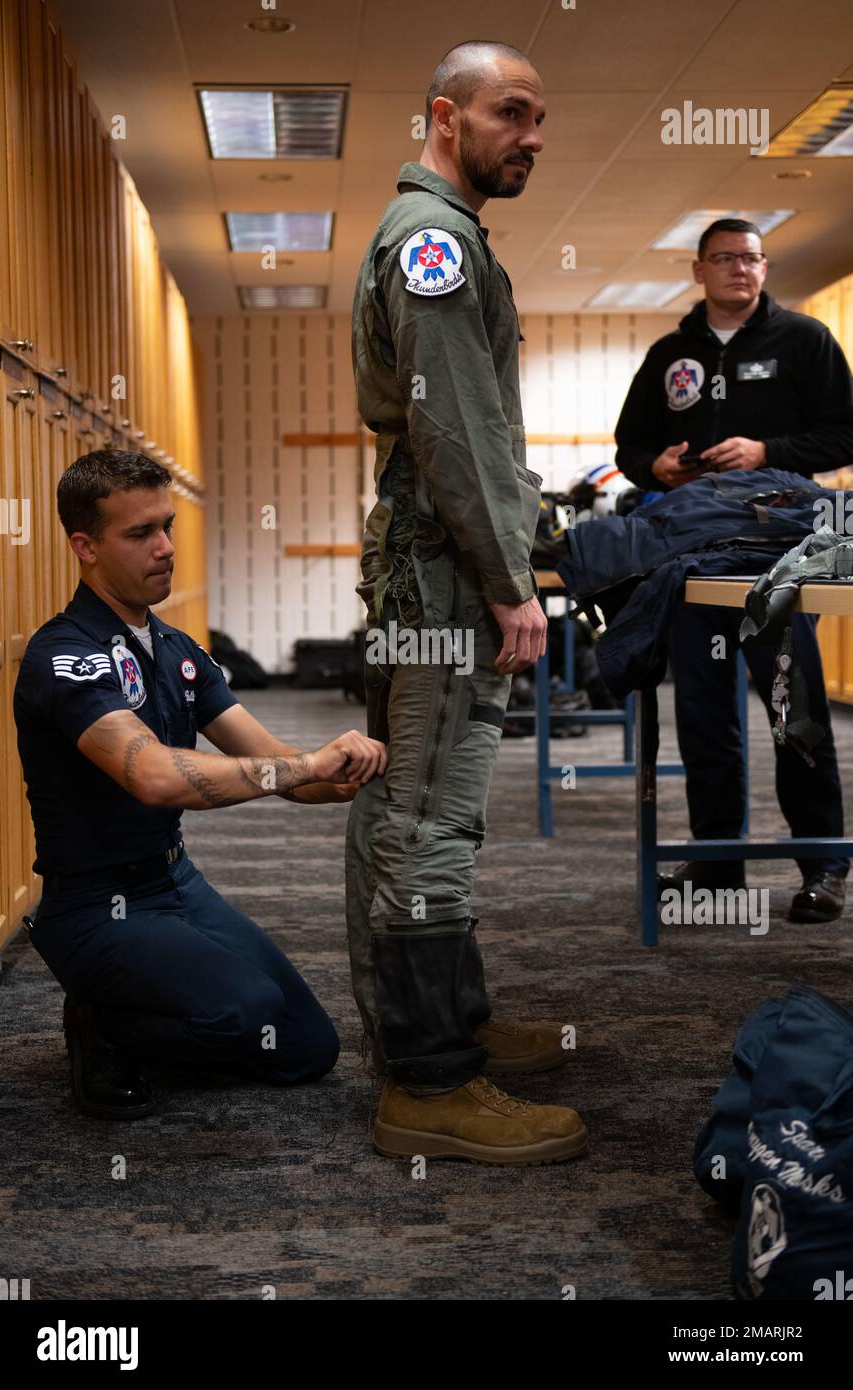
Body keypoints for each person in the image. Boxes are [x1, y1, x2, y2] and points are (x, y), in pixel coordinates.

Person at [346, 40, 587, 1165]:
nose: (530, 136)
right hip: (445, 569)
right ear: (445, 116)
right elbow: (455, 435)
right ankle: (430, 1081)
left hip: (431, 558)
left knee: (411, 804)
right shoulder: (432, 241)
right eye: (510, 113)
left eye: (538, 118)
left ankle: (443, 1032)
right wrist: (511, 583)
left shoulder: (439, 235)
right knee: (430, 818)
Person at [14, 450, 387, 1119]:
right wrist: (302, 767)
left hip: (173, 884)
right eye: (139, 534)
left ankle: (152, 1004)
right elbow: (153, 777)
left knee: (306, 1048)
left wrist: (350, 767)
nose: (164, 548)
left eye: (167, 526)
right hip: (96, 905)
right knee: (243, 1012)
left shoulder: (181, 653)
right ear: (85, 546)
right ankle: (102, 1020)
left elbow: (284, 768)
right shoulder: (63, 657)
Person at [615, 217, 853, 922]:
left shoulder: (804, 340)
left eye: (750, 259)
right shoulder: (670, 353)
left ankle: (823, 864)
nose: (738, 271)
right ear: (699, 270)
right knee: (702, 713)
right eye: (724, 259)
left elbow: (845, 432)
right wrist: (653, 465)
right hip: (690, 553)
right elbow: (631, 446)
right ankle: (716, 863)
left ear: (764, 265)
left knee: (793, 709)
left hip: (776, 549)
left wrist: (766, 450)